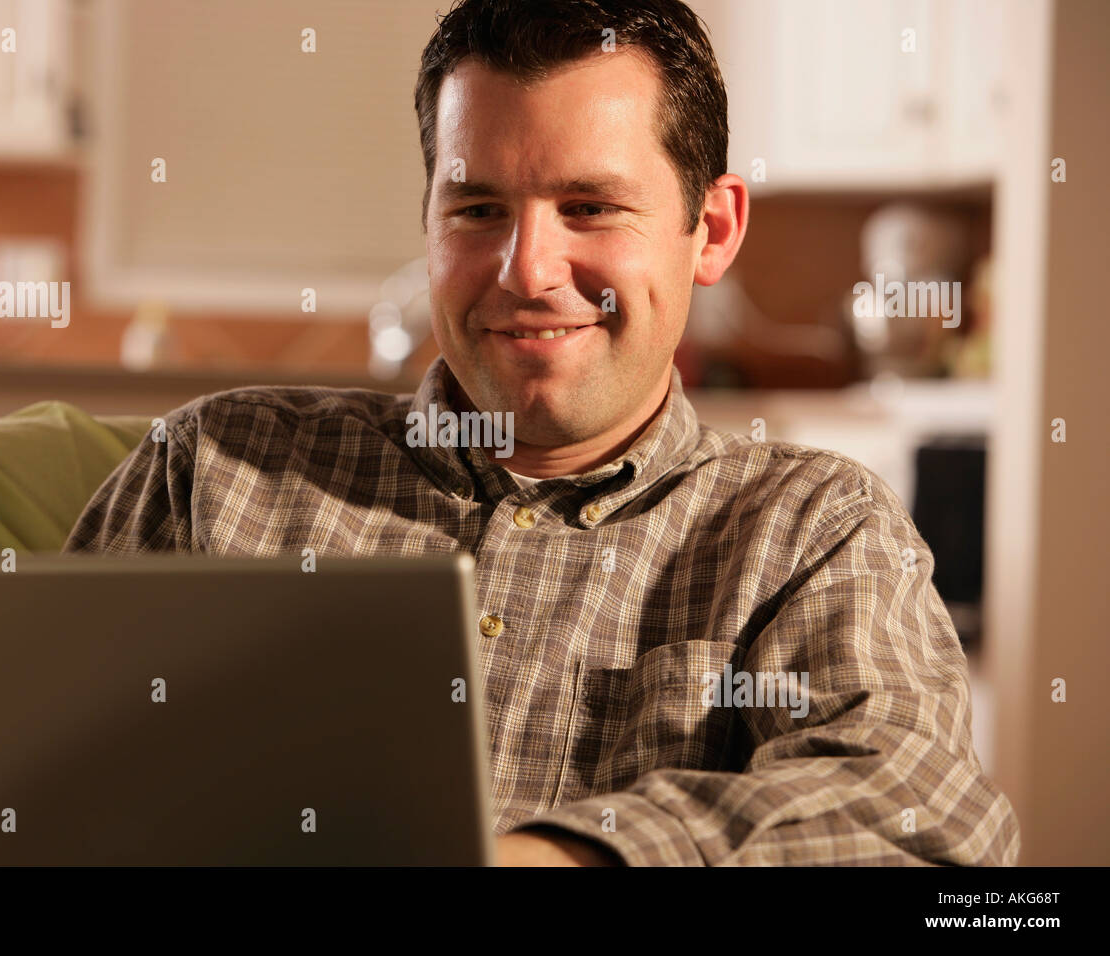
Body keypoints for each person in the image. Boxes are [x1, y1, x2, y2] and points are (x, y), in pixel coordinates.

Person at [65, 0, 1020, 866]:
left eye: (590, 207)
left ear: (713, 229)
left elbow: (918, 818)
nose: (527, 270)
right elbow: (27, 776)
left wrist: (560, 861)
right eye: (478, 209)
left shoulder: (810, 532)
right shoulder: (215, 468)